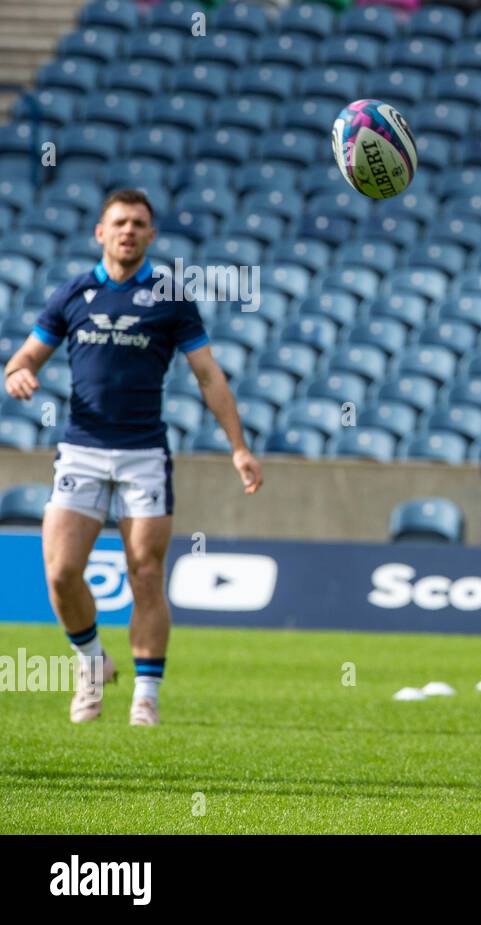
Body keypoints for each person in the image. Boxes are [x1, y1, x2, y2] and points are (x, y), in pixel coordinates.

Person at [2, 189, 263, 727]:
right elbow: (26, 355)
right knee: (60, 573)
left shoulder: (170, 298)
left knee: (144, 572)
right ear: (100, 232)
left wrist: (238, 447)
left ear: (151, 236)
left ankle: (146, 695)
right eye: (118, 222)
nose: (128, 230)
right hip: (81, 450)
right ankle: (92, 663)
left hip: (144, 454)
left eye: (138, 224)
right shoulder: (73, 293)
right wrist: (18, 372)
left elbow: (209, 375)